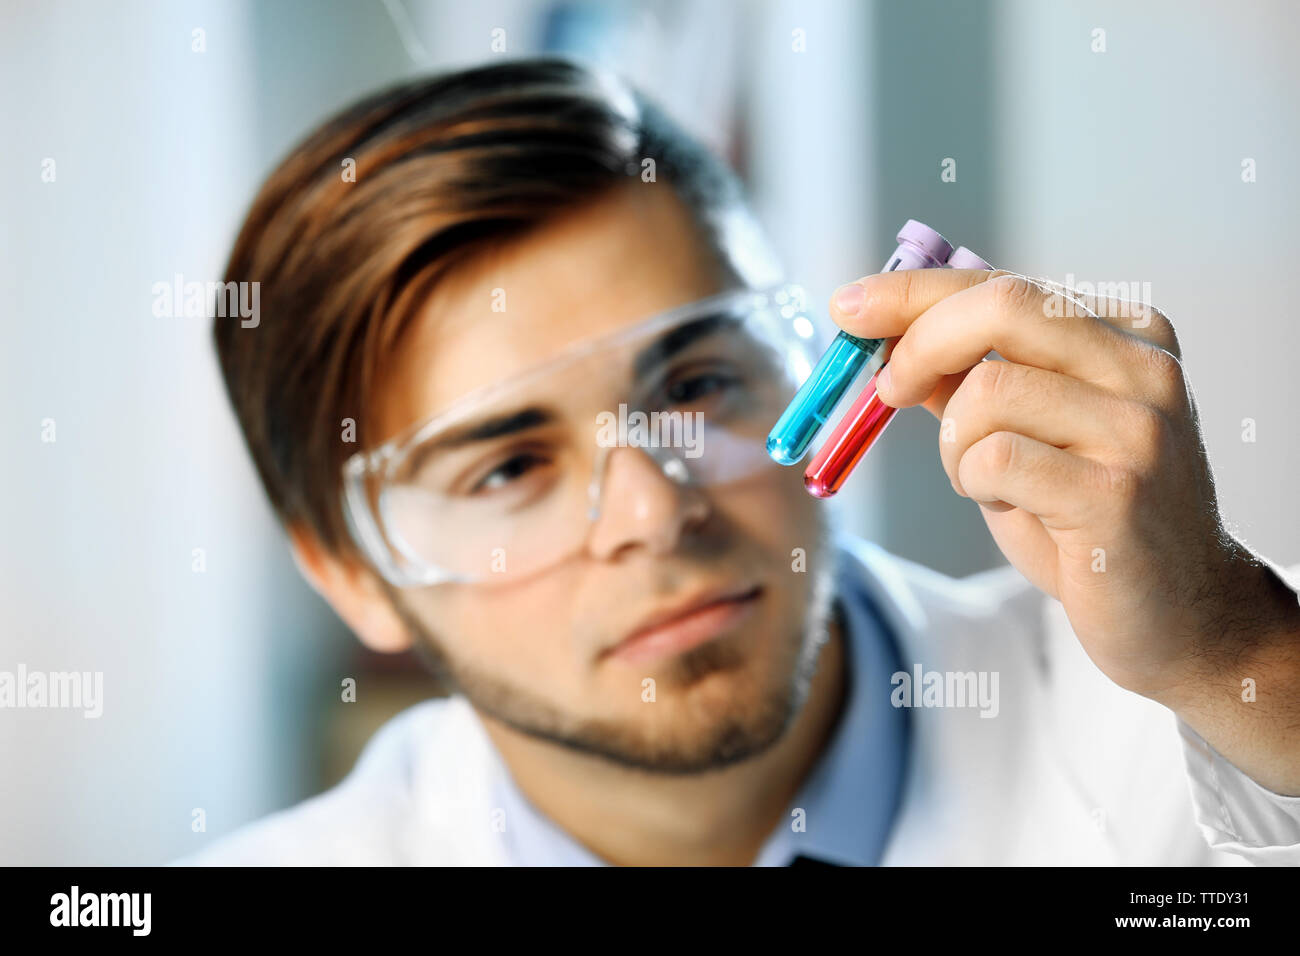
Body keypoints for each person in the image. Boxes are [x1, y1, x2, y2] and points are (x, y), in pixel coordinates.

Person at [184, 56, 1300, 866]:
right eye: (507, 467)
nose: (651, 511)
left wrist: (1236, 648)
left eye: (694, 386)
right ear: (348, 572)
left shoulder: (1204, 734)